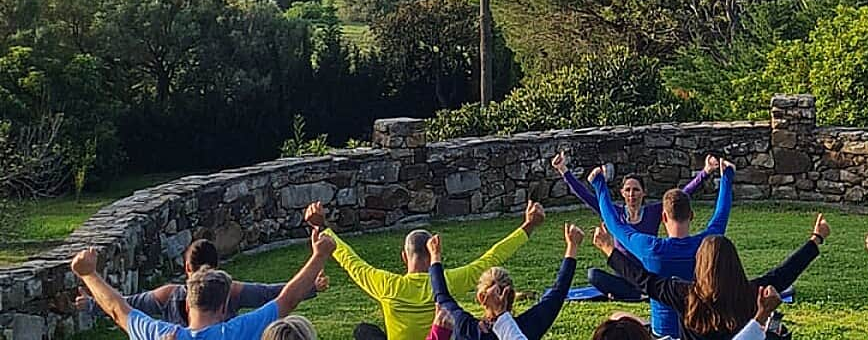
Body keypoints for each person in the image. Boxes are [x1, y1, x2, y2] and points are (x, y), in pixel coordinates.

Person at [304, 200, 545, 340]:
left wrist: (322, 227)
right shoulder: (447, 281)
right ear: (434, 255)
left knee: (364, 332)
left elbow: (350, 260)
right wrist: (528, 226)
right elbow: (491, 258)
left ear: (403, 256)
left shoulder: (387, 285)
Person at [592, 212, 831, 340]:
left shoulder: (684, 295)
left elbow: (643, 280)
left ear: (701, 264)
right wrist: (815, 239)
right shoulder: (750, 293)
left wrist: (608, 249)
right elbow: (784, 273)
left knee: (620, 317)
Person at [70, 227, 333, 340]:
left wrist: (89, 274)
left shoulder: (160, 334)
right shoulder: (235, 333)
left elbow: (119, 310)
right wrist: (318, 256)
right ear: (223, 307)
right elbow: (286, 298)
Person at [591, 158, 736, 338]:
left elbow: (614, 224)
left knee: (617, 316)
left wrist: (599, 184)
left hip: (662, 334)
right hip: (699, 331)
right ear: (691, 215)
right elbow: (721, 215)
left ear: (664, 217)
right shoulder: (706, 245)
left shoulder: (651, 248)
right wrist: (727, 177)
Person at [551, 150, 720, 301]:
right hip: (625, 274)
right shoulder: (615, 214)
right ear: (622, 193)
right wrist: (563, 170)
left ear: (643, 192)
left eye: (636, 190)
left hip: (647, 275)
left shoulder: (654, 212)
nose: (632, 194)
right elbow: (586, 196)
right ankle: (636, 294)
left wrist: (705, 172)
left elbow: (682, 195)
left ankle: (635, 293)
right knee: (593, 275)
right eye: (628, 190)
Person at [427, 222, 581, 340]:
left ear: (481, 298)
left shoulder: (466, 328)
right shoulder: (527, 327)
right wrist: (572, 247)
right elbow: (557, 293)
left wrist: (435, 256)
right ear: (511, 295)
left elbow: (442, 296)